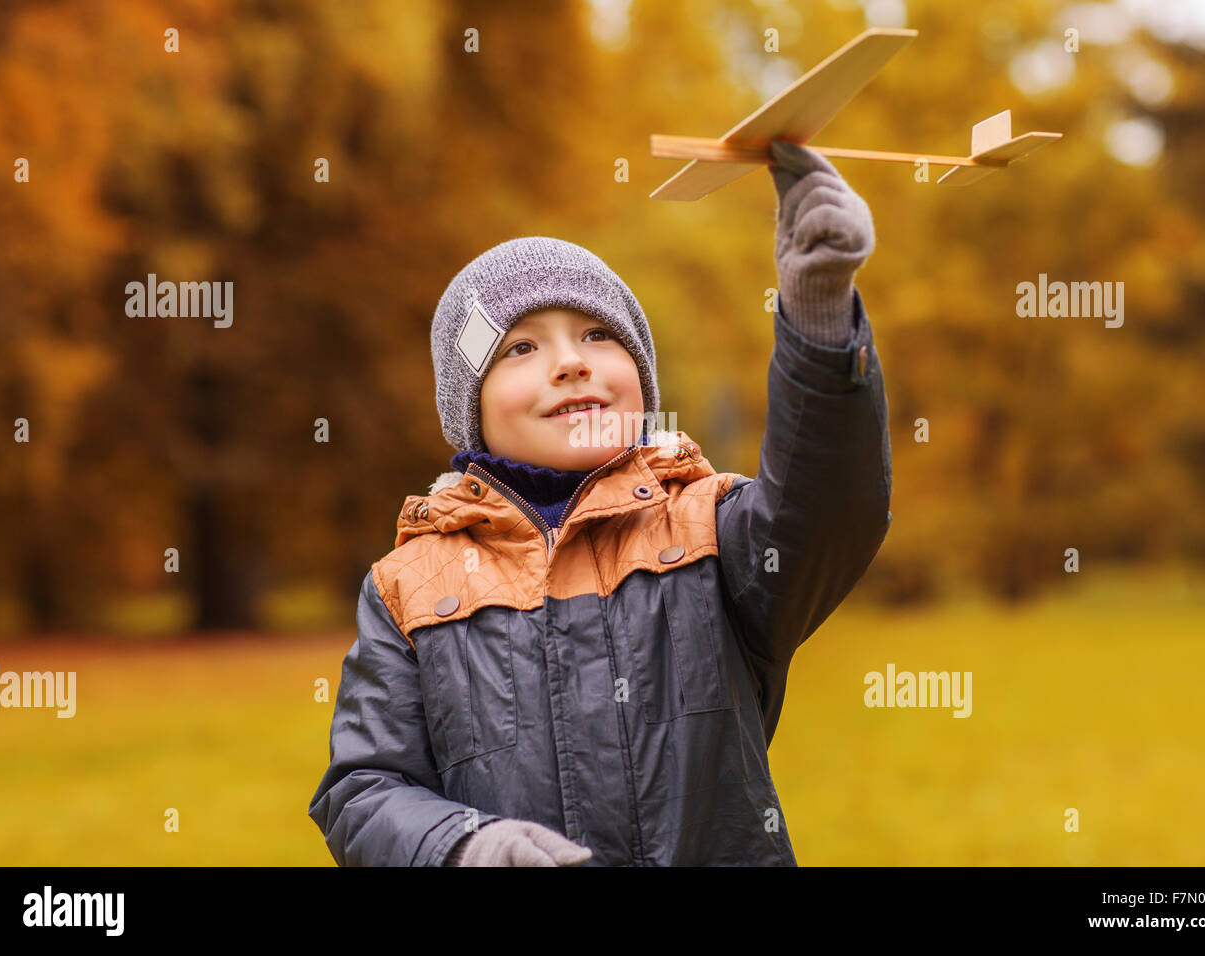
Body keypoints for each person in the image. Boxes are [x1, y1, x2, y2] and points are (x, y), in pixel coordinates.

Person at [308, 140, 892, 866]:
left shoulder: (712, 528)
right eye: (521, 349)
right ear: (471, 409)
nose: (570, 361)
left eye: (598, 334)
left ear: (641, 381)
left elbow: (830, 508)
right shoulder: (407, 589)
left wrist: (820, 319)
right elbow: (363, 788)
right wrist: (463, 847)